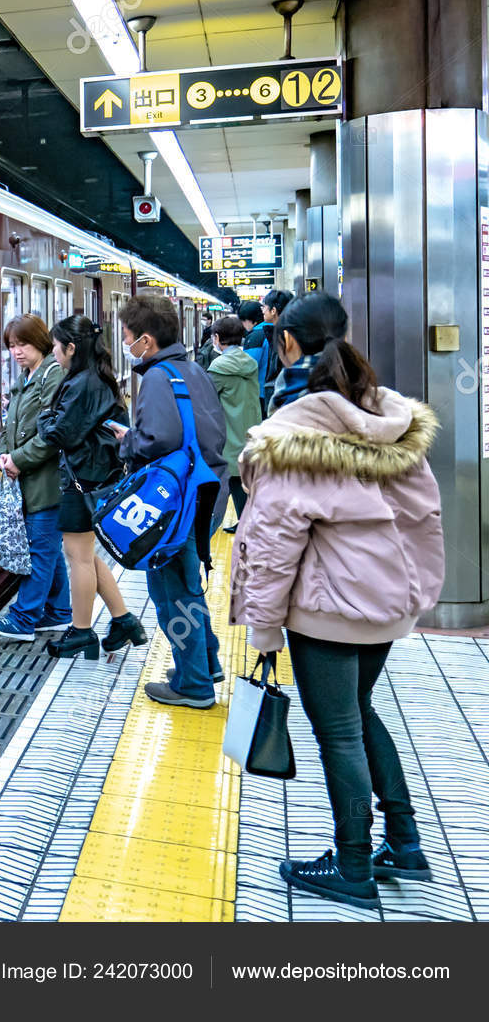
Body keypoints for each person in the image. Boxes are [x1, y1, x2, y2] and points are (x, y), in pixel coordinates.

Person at [230, 292, 444, 910]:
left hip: (328, 609)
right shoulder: (389, 418)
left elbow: (272, 544)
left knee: (339, 733)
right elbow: (422, 515)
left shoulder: (294, 433)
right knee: (360, 712)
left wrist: (263, 627)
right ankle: (404, 843)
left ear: (287, 343)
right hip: (383, 603)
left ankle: (353, 865)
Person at [110, 294, 228, 707]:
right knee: (189, 585)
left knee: (171, 592)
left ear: (146, 340)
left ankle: (193, 685)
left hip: (176, 505)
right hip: (208, 490)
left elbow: (157, 441)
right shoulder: (195, 370)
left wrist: (127, 443)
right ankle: (206, 661)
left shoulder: (158, 378)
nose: (126, 346)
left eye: (127, 338)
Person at [36, 315, 143, 659]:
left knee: (78, 558)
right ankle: (124, 620)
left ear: (71, 348)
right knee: (86, 555)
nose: (52, 352)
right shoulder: (96, 377)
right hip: (92, 475)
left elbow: (60, 433)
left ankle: (81, 630)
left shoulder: (83, 383)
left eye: (55, 346)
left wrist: (43, 417)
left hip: (84, 478)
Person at [0, 315, 73, 643]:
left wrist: (18, 459)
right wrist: (3, 456)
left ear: (40, 342)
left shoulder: (53, 375)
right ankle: (60, 612)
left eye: (23, 344)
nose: (17, 351)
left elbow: (53, 434)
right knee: (47, 548)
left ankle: (23, 618)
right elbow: (11, 425)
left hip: (48, 481)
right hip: (28, 478)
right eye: (11, 346)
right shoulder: (26, 375)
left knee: (40, 549)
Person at [205, 315, 261, 533]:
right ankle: (247, 528)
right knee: (241, 487)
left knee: (215, 502)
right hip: (249, 439)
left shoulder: (218, 367)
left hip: (226, 442)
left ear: (217, 338)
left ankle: (199, 544)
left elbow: (206, 403)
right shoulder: (250, 363)